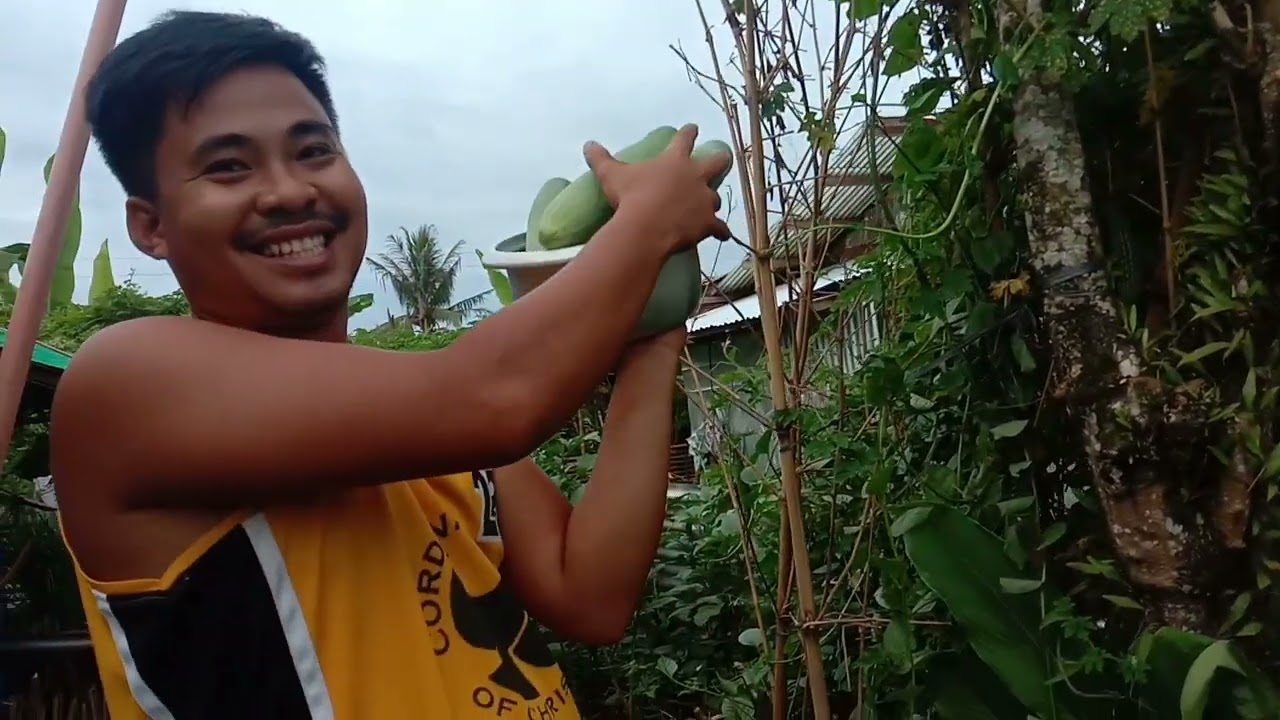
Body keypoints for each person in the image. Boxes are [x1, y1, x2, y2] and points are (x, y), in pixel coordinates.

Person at [51, 10, 730, 720]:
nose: (288, 190)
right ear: (149, 225)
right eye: (228, 166)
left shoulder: (424, 427)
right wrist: (647, 224)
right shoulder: (126, 384)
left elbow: (591, 594)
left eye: (313, 150)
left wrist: (656, 326)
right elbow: (499, 398)